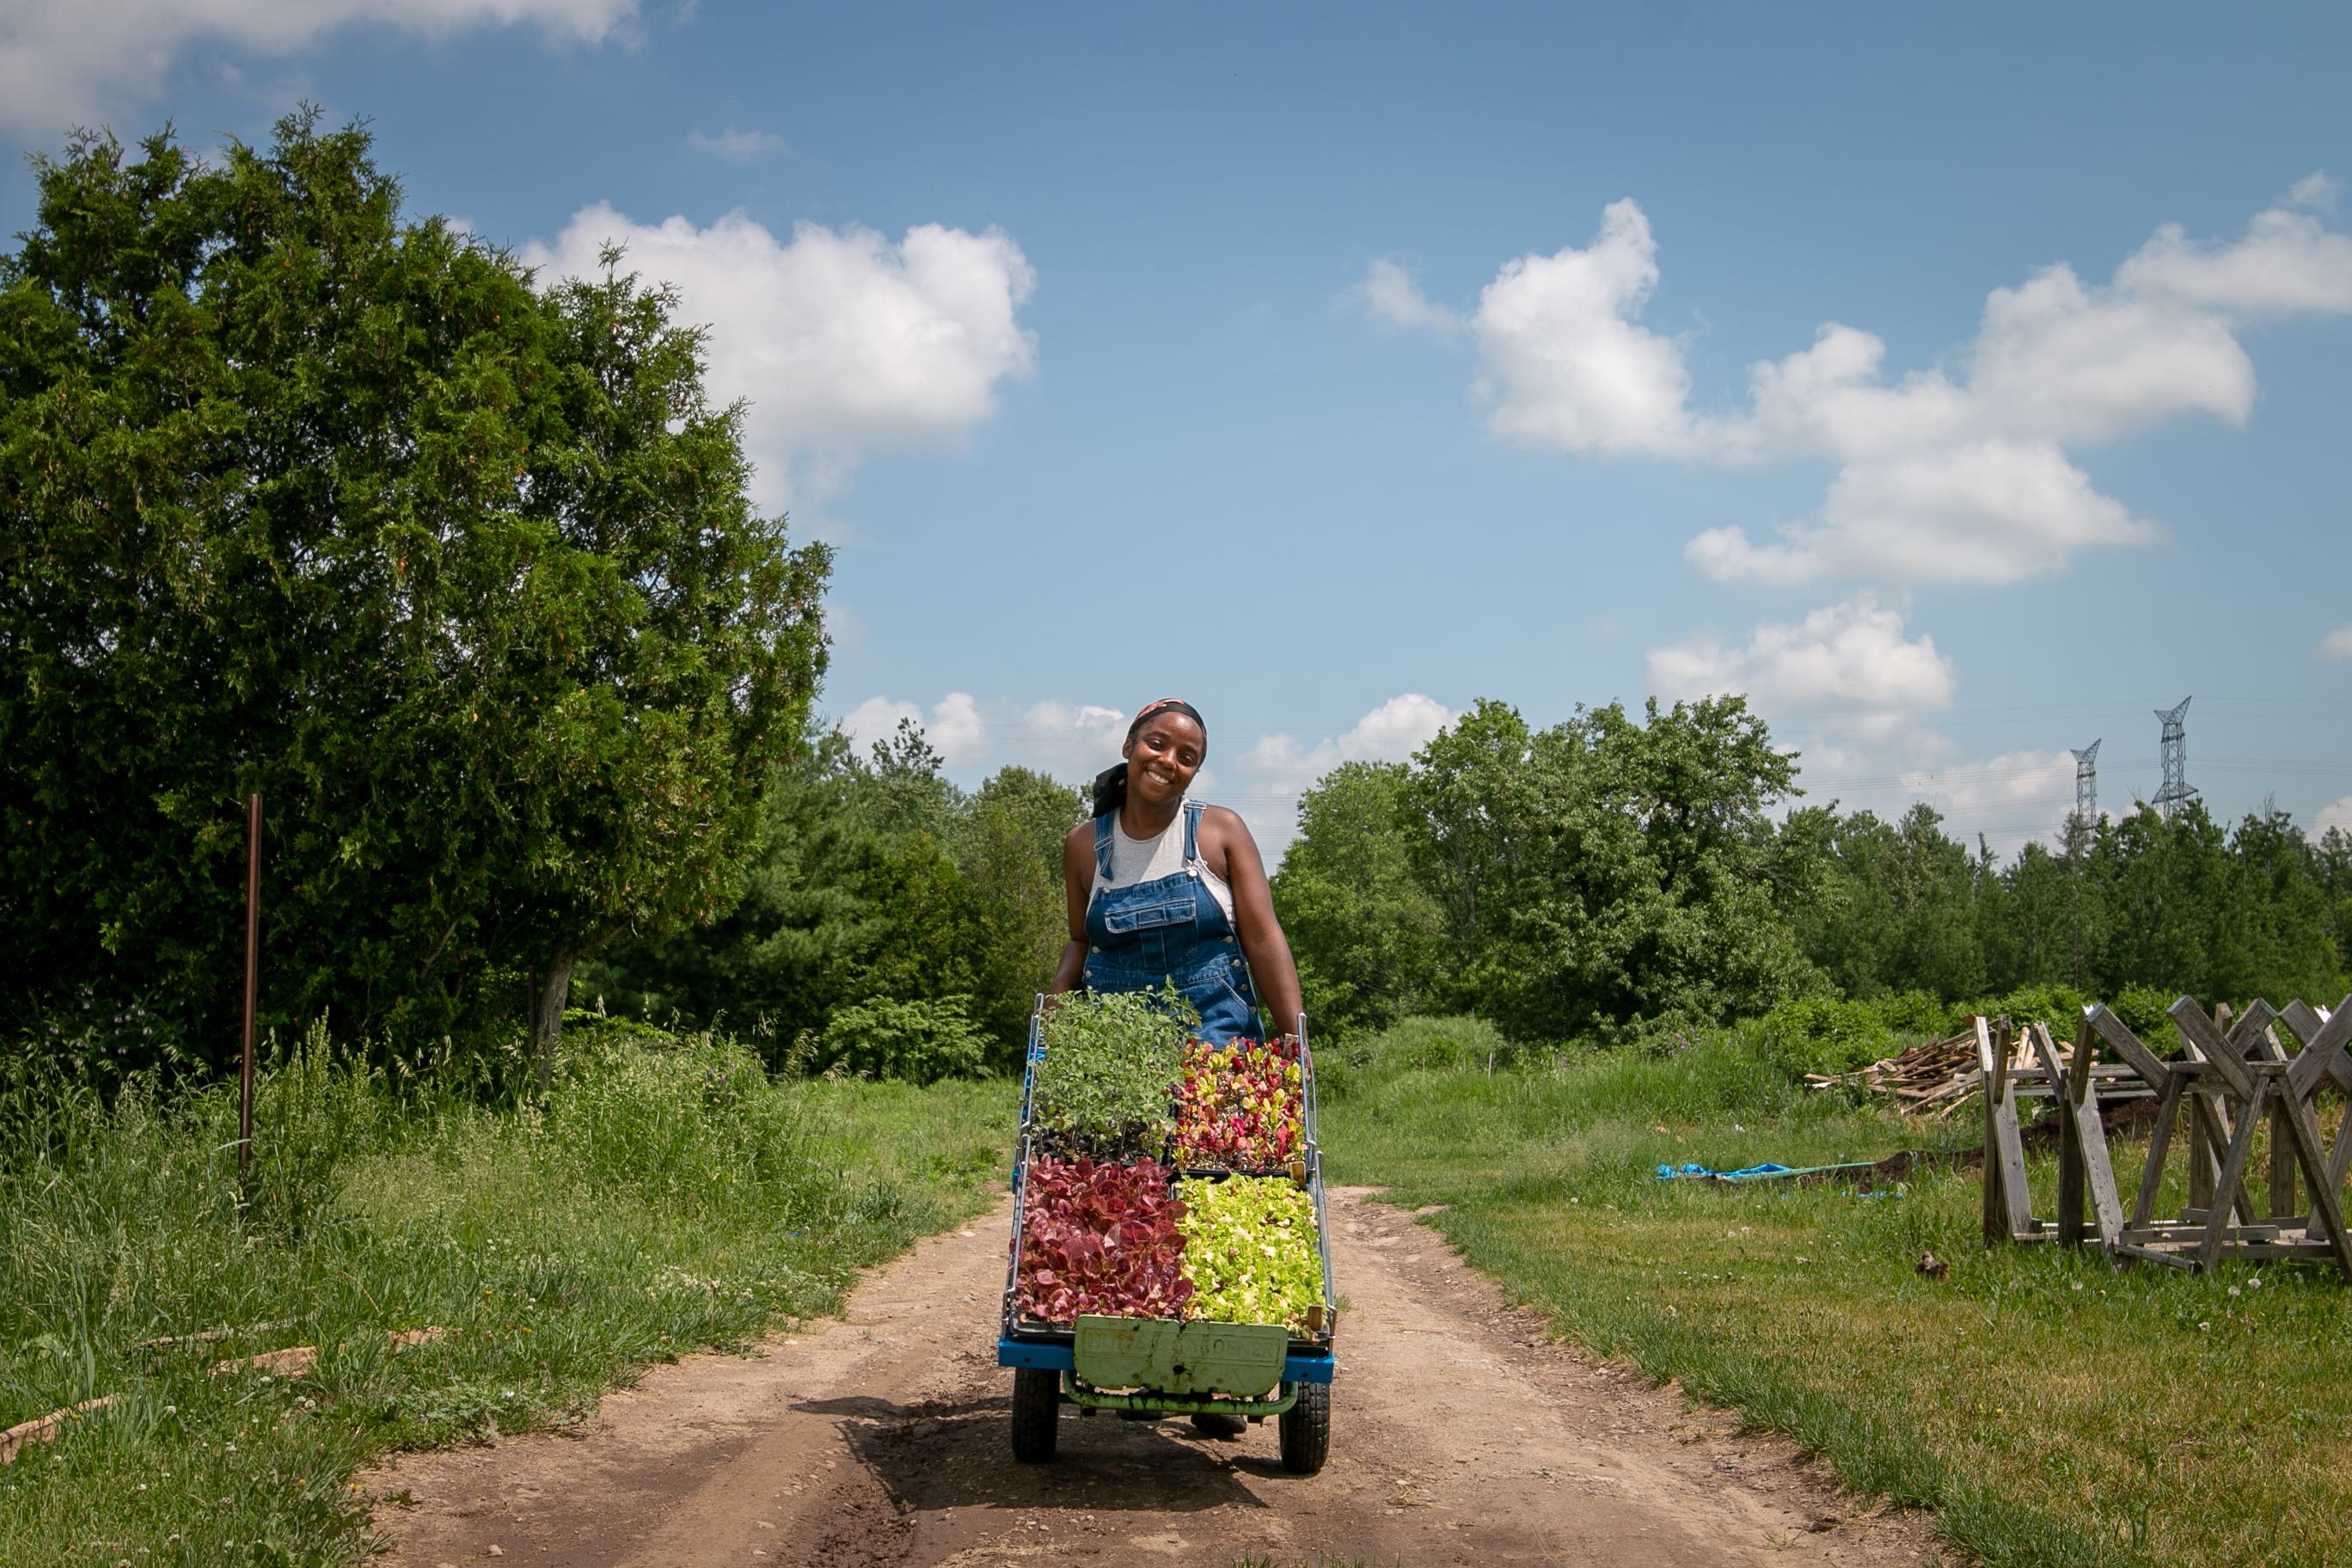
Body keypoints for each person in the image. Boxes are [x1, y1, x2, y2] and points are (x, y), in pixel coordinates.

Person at [1046, 698, 1303, 1047]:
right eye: (1156, 744)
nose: (1167, 761)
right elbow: (1080, 944)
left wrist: (1296, 1040)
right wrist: (1046, 1040)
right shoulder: (1083, 844)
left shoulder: (1219, 832)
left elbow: (1263, 938)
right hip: (1117, 1052)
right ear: (1128, 745)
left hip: (1217, 1049)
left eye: (1186, 758)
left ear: (1195, 772)